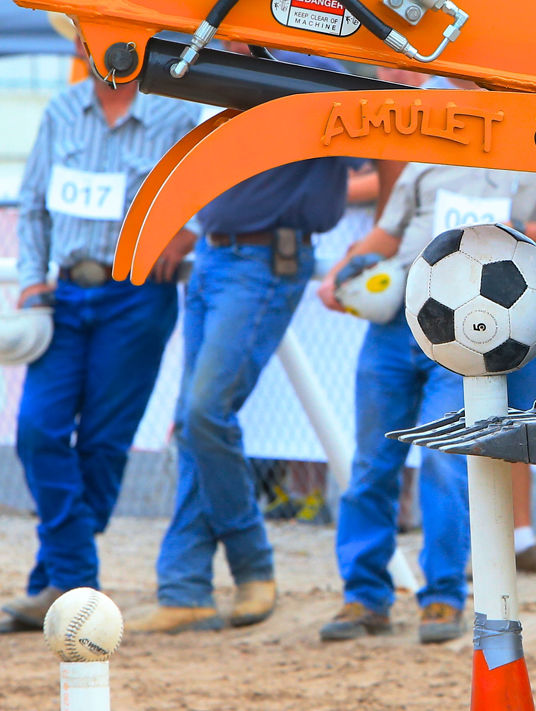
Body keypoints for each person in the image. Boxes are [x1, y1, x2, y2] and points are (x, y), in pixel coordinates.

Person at [316, 75, 536, 645]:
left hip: (472, 345)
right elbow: (388, 233)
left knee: (448, 464)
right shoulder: (432, 149)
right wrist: (341, 270)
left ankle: (442, 597)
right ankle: (362, 596)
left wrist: (502, 237)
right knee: (372, 462)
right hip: (399, 325)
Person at [129, 42, 372, 633]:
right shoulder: (258, 67)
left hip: (261, 258)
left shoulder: (315, 70)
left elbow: (374, 151)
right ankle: (185, 584)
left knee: (203, 413)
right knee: (198, 419)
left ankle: (247, 561)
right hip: (225, 256)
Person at [0, 21, 199, 633]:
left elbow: (208, 190)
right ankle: (72, 576)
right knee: (37, 431)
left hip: (136, 297)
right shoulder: (61, 109)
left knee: (105, 446)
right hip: (62, 293)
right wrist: (31, 281)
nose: (91, 48)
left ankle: (55, 584)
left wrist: (188, 229)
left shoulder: (174, 115)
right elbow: (31, 206)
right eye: (83, 37)